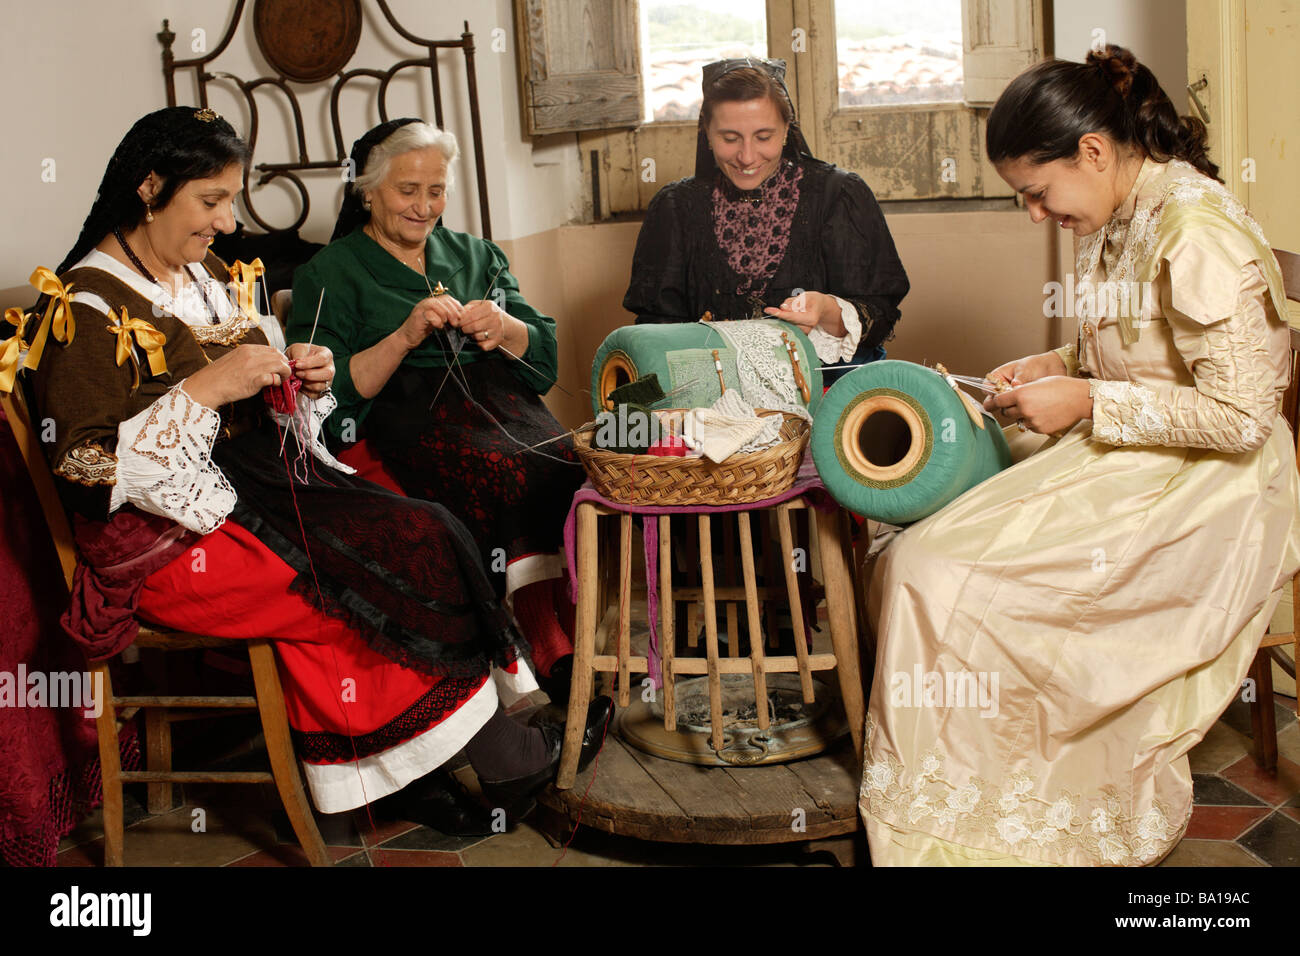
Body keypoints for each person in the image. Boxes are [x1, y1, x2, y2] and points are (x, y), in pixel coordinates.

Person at [25, 107, 610, 837]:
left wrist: (307, 382)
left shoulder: (201, 274)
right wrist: (209, 387)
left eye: (230, 199)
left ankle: (421, 771)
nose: (227, 221)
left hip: (247, 492)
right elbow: (81, 466)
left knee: (422, 526)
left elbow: (259, 411)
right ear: (149, 188)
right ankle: (495, 757)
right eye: (211, 200)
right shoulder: (86, 304)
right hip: (163, 545)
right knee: (371, 565)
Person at [859, 45, 1300, 866]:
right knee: (915, 531)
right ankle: (965, 788)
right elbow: (1136, 346)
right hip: (1137, 445)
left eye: (1036, 192)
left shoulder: (1196, 230)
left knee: (940, 570)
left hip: (1215, 486)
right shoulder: (1118, 208)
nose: (1034, 214)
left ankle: (1010, 810)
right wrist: (1058, 365)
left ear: (1092, 151)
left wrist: (1089, 401)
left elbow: (1243, 417)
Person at [288, 119, 584, 699]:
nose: (424, 207)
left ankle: (569, 636)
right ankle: (535, 655)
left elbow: (543, 360)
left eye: (436, 190)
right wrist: (404, 335)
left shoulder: (476, 255)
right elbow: (320, 399)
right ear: (367, 190)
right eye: (407, 190)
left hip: (502, 404)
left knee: (569, 461)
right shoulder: (330, 274)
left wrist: (504, 326)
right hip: (408, 416)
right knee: (501, 473)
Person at [623, 57, 909, 383]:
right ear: (706, 132)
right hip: (716, 401)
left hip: (831, 393)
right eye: (730, 138)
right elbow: (656, 332)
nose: (747, 156)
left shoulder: (839, 195)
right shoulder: (675, 208)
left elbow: (881, 315)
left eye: (763, 137)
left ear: (788, 128)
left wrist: (827, 310)